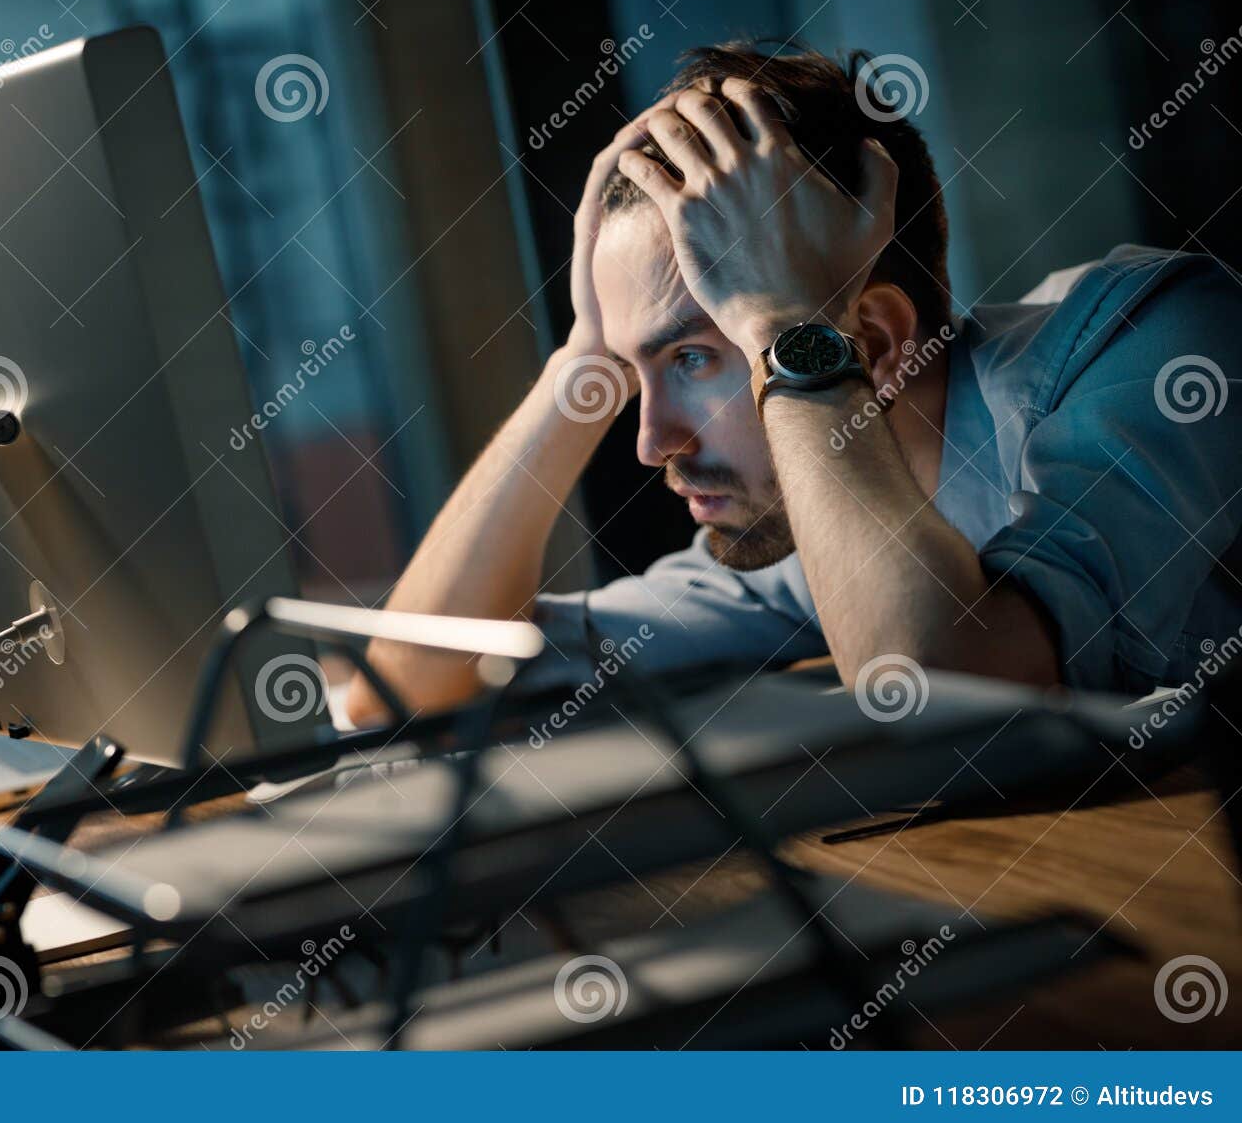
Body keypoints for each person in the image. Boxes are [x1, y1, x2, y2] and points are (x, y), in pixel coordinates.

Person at [348, 43, 1242, 725]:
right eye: (635, 372)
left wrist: (790, 335)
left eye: (695, 357)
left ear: (878, 341)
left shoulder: (1163, 337)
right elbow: (407, 689)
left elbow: (940, 692)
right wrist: (583, 361)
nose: (652, 442)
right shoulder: (814, 534)